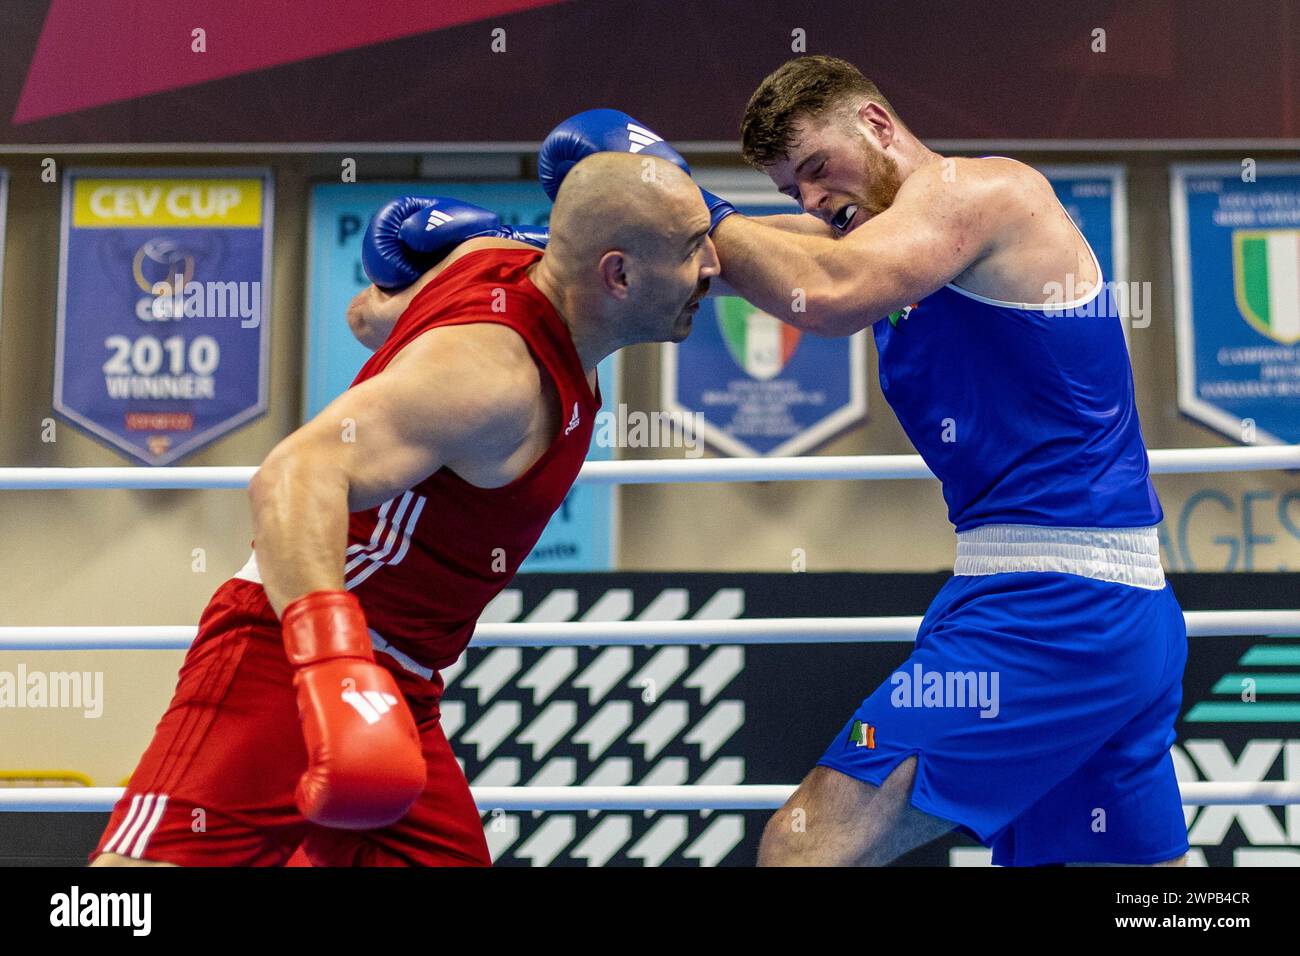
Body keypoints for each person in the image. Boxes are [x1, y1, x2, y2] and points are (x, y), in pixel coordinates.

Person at [536, 57, 1189, 867]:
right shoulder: (880, 236)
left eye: (817, 168)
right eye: (793, 190)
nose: (811, 200)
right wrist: (530, 247)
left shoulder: (984, 193)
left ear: (877, 126)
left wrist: (677, 190)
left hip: (1053, 613)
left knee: (805, 843)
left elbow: (830, 290)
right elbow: (730, 256)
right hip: (1093, 607)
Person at [91, 151, 717, 866]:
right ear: (619, 274)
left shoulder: (492, 256)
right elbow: (294, 472)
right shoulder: (493, 376)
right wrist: (330, 666)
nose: (715, 265)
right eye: (694, 246)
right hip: (284, 659)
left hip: (401, 692)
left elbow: (370, 315)